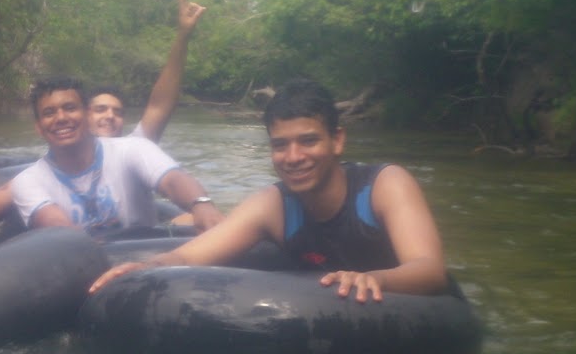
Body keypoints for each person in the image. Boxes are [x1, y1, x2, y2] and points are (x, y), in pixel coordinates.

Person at [88, 78, 449, 302]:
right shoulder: (273, 205)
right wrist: (146, 267)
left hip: (405, 319)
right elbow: (189, 257)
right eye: (280, 145)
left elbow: (430, 270)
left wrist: (372, 279)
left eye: (308, 141)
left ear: (337, 140)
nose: (293, 157)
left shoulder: (384, 185)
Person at [9, 76, 224, 234]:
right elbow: (55, 225)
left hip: (148, 256)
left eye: (70, 108)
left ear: (86, 114)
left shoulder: (132, 149)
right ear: (38, 127)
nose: (61, 118)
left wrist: (201, 204)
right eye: (49, 113)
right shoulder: (27, 181)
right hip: (82, 265)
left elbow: (173, 181)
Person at [87, 0, 206, 144]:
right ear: (83, 116)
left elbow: (160, 105)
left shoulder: (134, 147)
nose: (110, 116)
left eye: (118, 112)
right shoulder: (60, 159)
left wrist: (183, 35)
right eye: (100, 109)